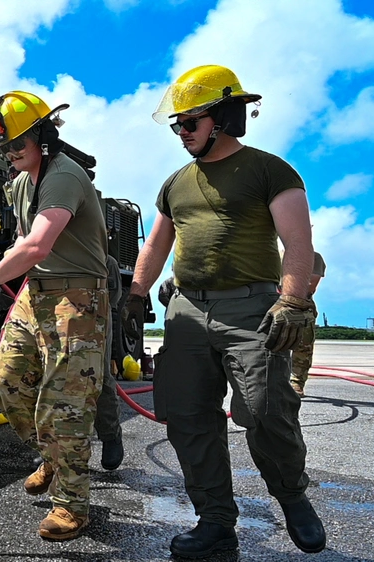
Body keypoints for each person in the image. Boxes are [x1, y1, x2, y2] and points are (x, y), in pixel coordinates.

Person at [122, 65, 325, 558]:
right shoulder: (175, 183)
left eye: (190, 122)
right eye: (177, 125)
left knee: (264, 410)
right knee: (188, 418)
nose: (182, 133)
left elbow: (297, 240)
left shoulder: (269, 170)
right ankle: (215, 522)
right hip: (187, 311)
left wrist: (293, 300)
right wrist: (134, 293)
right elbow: (157, 243)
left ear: (224, 117)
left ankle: (292, 496)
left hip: (253, 308)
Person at [0, 91, 109, 541]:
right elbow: (23, 243)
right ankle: (52, 457)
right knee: (5, 385)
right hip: (33, 293)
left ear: (43, 135)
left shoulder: (63, 177)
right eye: (4, 148)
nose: (11, 153)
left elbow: (39, 245)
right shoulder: (19, 182)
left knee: (66, 405)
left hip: (77, 300)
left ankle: (71, 506)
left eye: (18, 144)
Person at [97, 255, 124, 470]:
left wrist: (115, 352)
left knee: (99, 378)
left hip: (94, 317)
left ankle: (110, 436)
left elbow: (112, 305)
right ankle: (56, 450)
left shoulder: (106, 262)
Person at [290, 251, 326, 396]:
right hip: (270, 302)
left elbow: (310, 285)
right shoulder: (271, 254)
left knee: (303, 346)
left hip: (301, 304)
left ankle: (296, 383)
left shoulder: (314, 257)